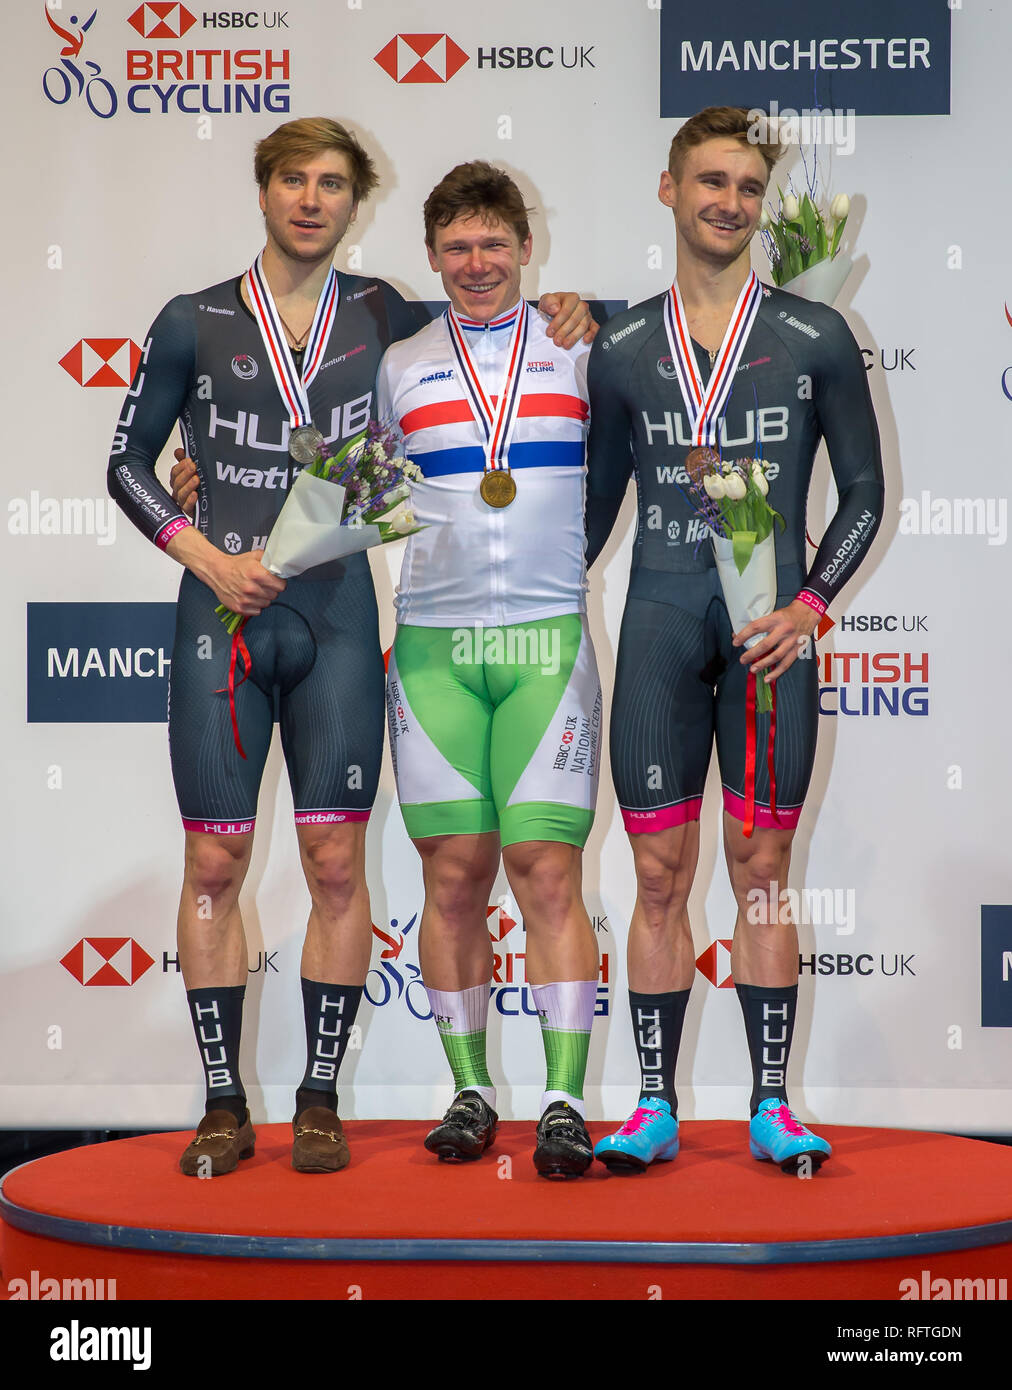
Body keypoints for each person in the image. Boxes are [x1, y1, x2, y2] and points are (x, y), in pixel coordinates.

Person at [109, 117, 593, 1178]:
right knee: (213, 860)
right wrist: (204, 552)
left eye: (333, 183)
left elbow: (493, 330)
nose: (313, 199)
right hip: (223, 616)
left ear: (356, 202)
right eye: (295, 180)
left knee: (335, 860)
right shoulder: (192, 320)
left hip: (335, 619)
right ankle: (223, 1103)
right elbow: (128, 464)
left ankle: (318, 1100)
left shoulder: (385, 314)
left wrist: (575, 309)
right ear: (265, 191)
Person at [585, 106, 884, 1174]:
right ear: (669, 190)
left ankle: (770, 1105)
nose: (729, 203)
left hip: (771, 639)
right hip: (662, 621)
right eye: (710, 182)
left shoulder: (814, 337)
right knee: (658, 874)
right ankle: (654, 1106)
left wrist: (809, 608)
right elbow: (589, 512)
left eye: (748, 189)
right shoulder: (620, 348)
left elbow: (862, 493)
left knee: (761, 868)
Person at [377, 162, 602, 1178]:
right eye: (457, 248)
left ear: (525, 246)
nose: (476, 264)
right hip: (433, 645)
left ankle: (562, 1099)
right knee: (453, 875)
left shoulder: (578, 343)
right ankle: (468, 1089)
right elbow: (353, 489)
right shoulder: (401, 364)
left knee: (546, 871)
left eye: (494, 244)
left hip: (545, 640)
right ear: (431, 256)